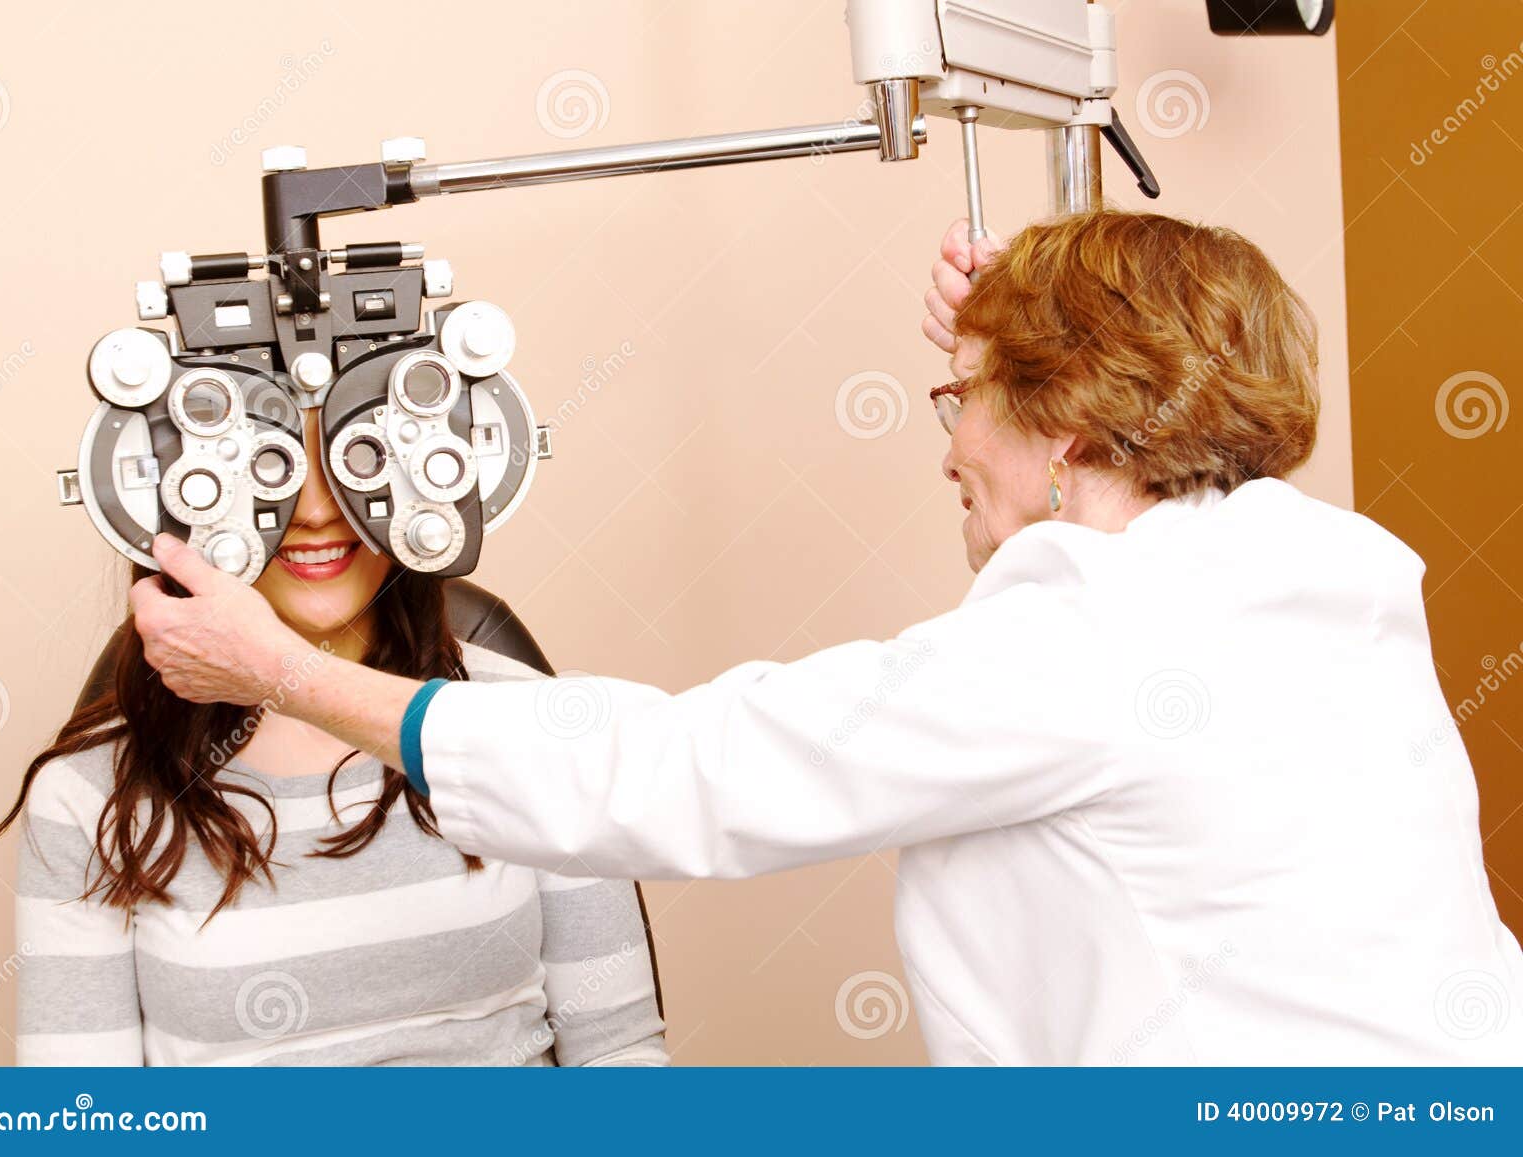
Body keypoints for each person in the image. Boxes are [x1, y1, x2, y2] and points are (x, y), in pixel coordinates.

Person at [128, 210, 1523, 1065]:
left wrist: (295, 679)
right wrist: (1025, 325)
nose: (950, 444)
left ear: (1073, 428)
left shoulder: (1092, 641)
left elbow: (691, 771)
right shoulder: (1321, 571)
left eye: (960, 395)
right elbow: (1165, 347)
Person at [0, 408, 667, 1067]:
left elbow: (618, 1053)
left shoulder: (535, 725)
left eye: (359, 452)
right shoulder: (87, 797)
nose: (316, 507)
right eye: (269, 459)